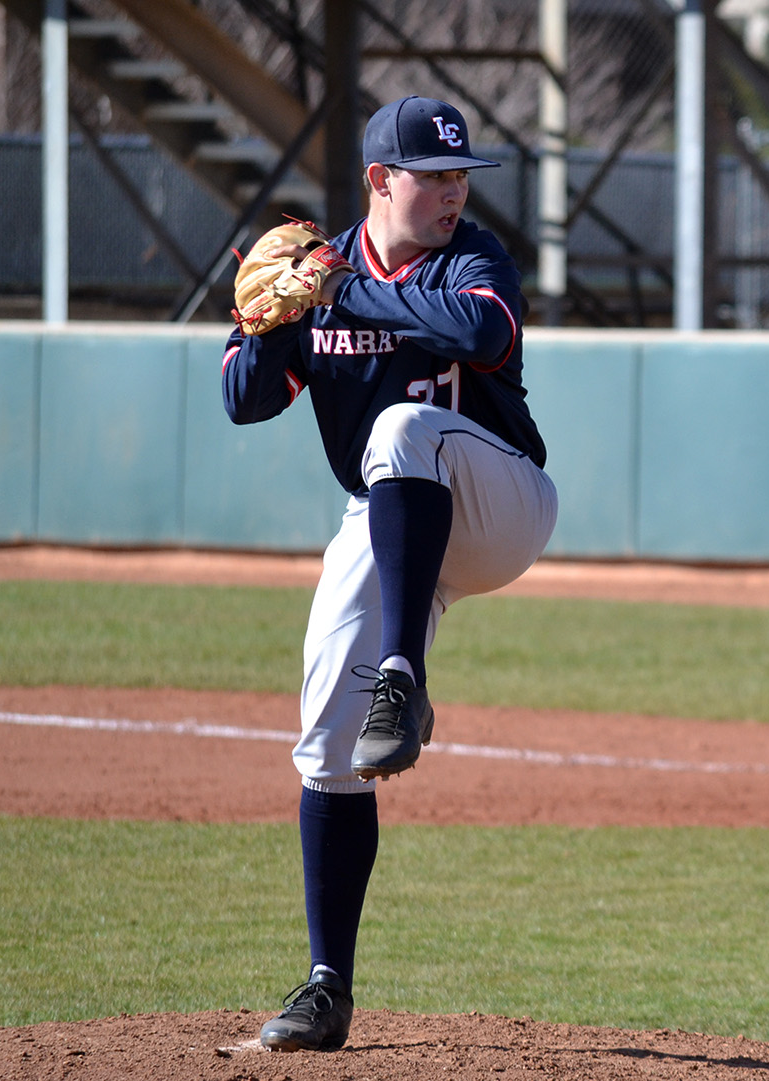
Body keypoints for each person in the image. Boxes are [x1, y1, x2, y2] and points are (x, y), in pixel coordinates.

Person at [221, 95, 558, 1052]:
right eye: (435, 177)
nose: (454, 192)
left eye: (462, 176)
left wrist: (337, 295)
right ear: (380, 182)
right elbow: (246, 403)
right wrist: (267, 320)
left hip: (498, 500)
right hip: (389, 518)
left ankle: (403, 680)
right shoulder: (316, 272)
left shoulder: (472, 258)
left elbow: (483, 337)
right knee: (327, 737)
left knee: (403, 429)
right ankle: (328, 986)